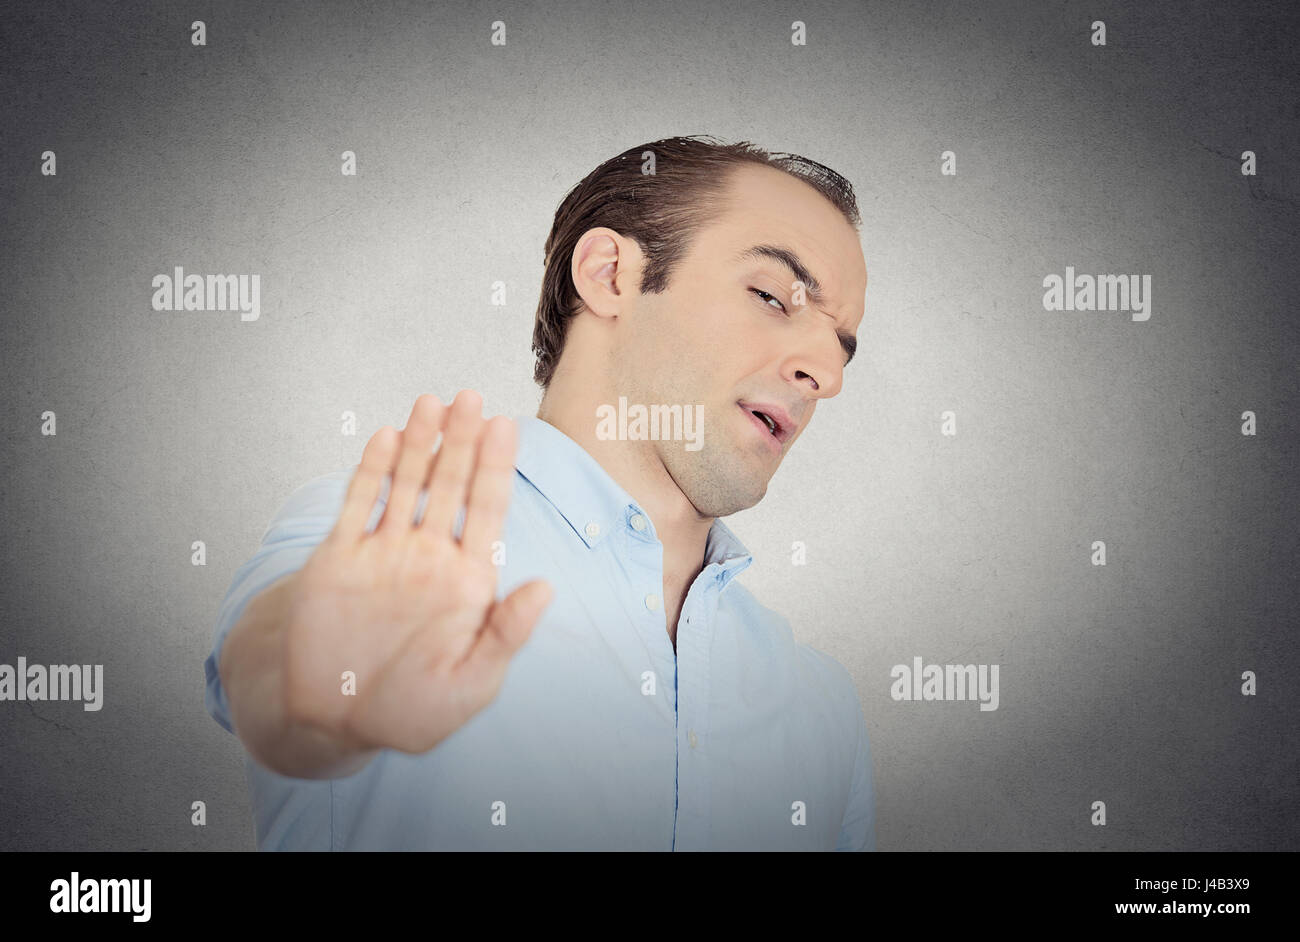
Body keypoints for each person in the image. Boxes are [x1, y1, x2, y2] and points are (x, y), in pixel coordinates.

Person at [204, 134, 874, 850]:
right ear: (609, 274)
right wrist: (327, 685)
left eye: (842, 347)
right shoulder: (378, 538)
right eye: (772, 296)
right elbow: (279, 680)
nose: (825, 376)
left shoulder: (820, 709)